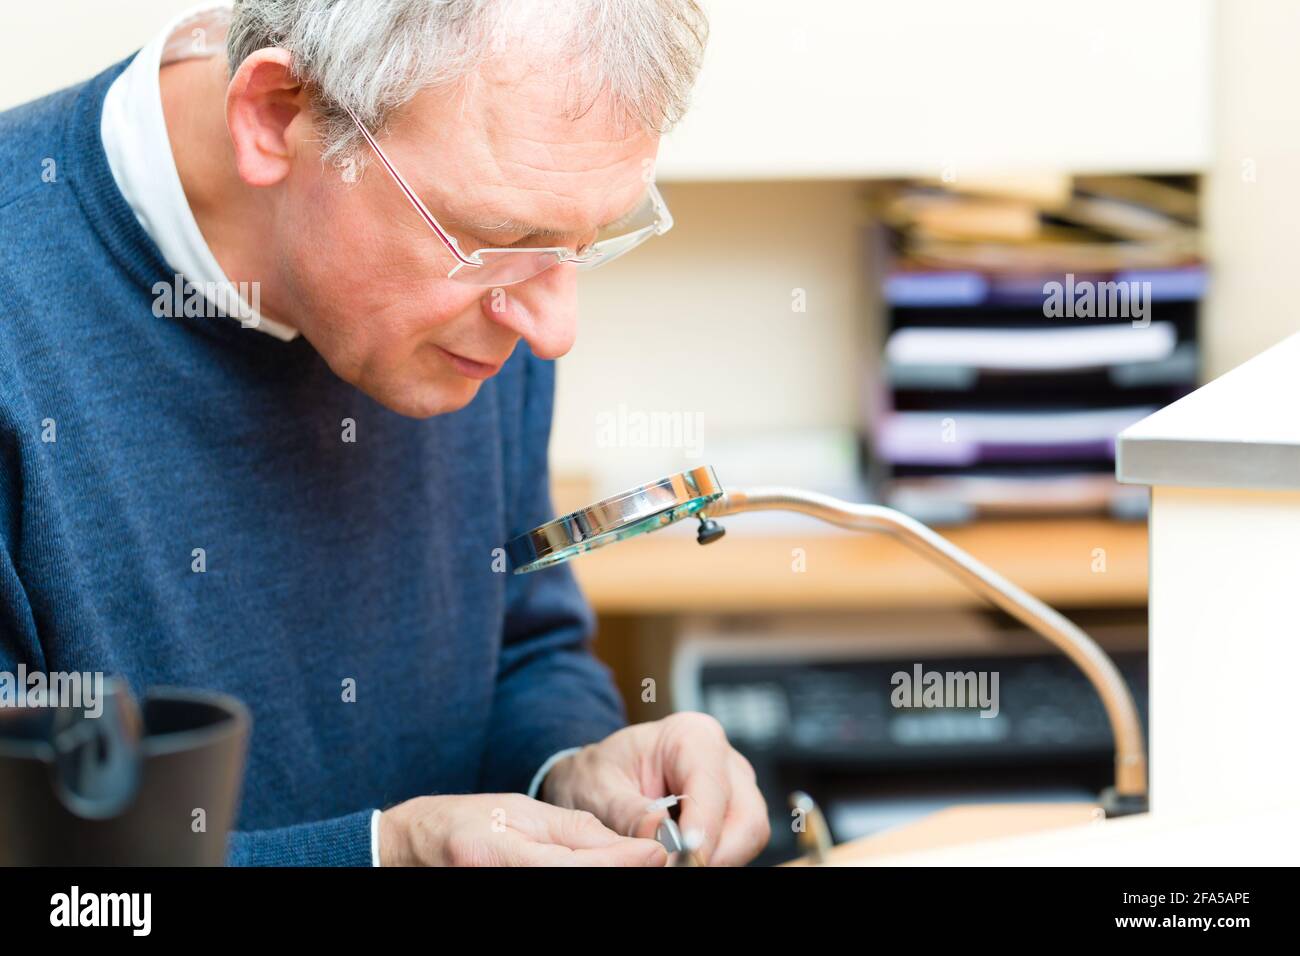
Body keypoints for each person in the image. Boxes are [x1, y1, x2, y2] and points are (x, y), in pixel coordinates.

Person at [0, 0, 770, 866]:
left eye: (586, 244)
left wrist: (573, 768)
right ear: (276, 115)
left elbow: (519, 641)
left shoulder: (495, 278)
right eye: (498, 239)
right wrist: (382, 854)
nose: (554, 331)